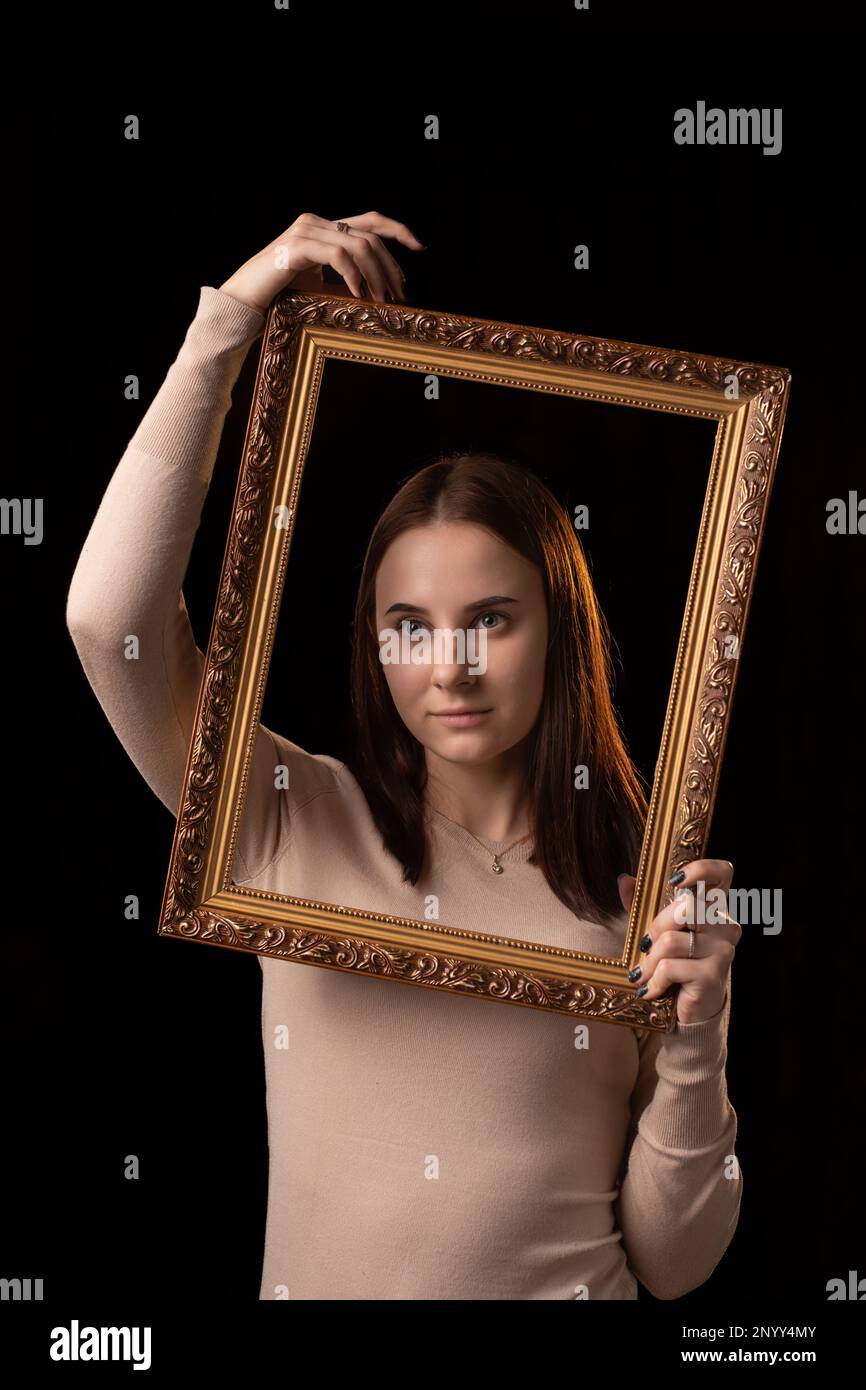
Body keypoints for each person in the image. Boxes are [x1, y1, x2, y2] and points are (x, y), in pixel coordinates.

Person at [66, 210, 743, 1300]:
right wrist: (230, 321)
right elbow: (110, 622)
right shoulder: (287, 813)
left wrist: (700, 1033)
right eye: (409, 627)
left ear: (558, 629)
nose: (451, 667)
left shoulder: (645, 892)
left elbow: (671, 1265)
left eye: (491, 619)